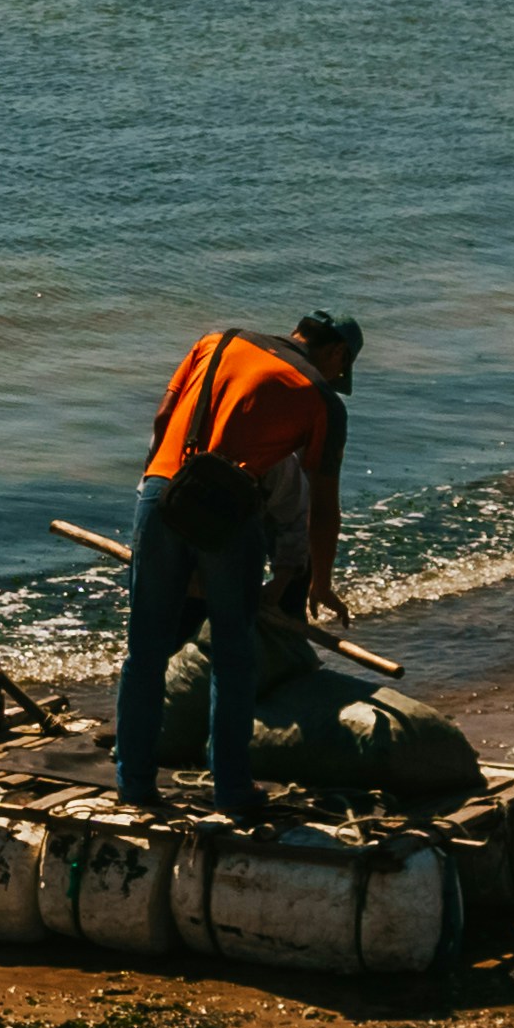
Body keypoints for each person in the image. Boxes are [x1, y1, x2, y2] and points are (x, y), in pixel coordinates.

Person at [111, 312, 360, 818]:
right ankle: (231, 791)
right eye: (342, 369)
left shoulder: (216, 341)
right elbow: (323, 503)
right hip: (229, 511)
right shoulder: (321, 400)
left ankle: (133, 784)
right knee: (232, 656)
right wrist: (322, 583)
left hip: (161, 493)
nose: (337, 379)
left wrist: (164, 500)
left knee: (145, 653)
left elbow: (163, 420)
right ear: (336, 355)